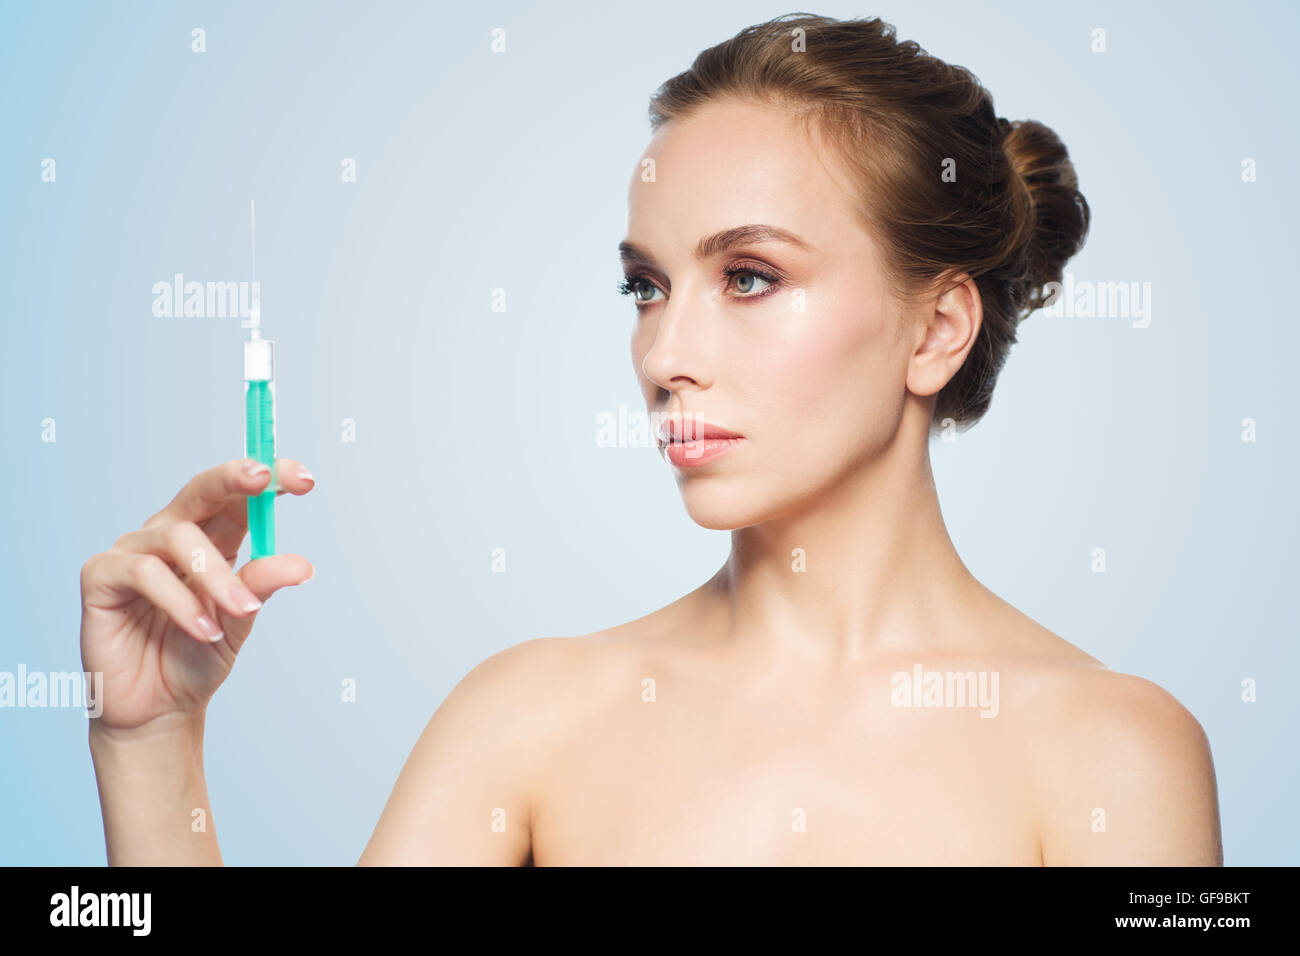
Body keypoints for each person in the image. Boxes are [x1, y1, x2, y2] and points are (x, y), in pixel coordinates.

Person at [82, 13, 1222, 865]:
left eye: (748, 275)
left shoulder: (1115, 752)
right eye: (644, 285)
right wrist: (152, 745)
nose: (663, 351)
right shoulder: (527, 717)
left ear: (936, 329)